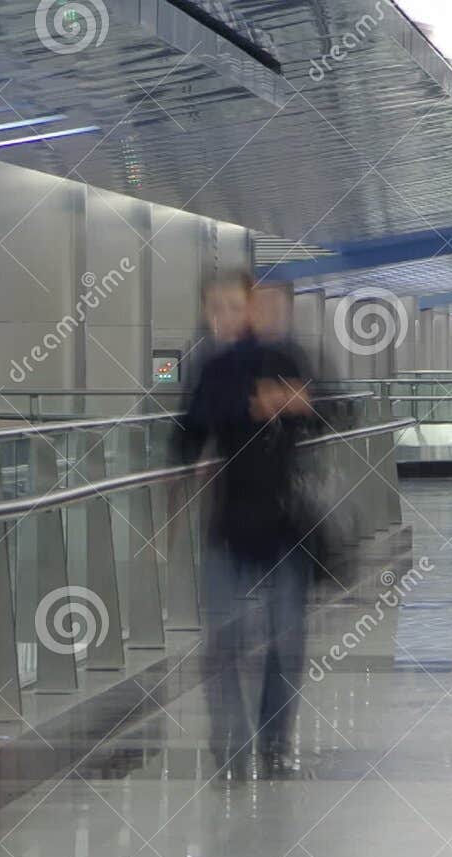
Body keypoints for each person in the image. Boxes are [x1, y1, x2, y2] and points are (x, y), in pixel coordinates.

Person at [176, 273, 316, 777]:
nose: (229, 317)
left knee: (285, 639)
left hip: (284, 521)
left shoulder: (286, 358)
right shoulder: (212, 367)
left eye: (237, 306)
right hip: (229, 521)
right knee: (223, 640)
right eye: (218, 308)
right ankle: (231, 740)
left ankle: (274, 738)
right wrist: (249, 408)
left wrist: (298, 406)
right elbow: (189, 430)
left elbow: (328, 411)